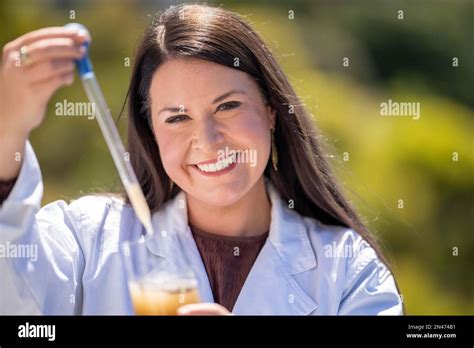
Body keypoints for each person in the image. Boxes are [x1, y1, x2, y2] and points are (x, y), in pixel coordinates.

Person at [0, 4, 403, 315]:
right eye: (176, 118)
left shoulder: (346, 267)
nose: (207, 141)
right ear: (151, 133)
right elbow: (13, 293)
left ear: (271, 110)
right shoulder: (88, 240)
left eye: (228, 106)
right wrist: (6, 128)